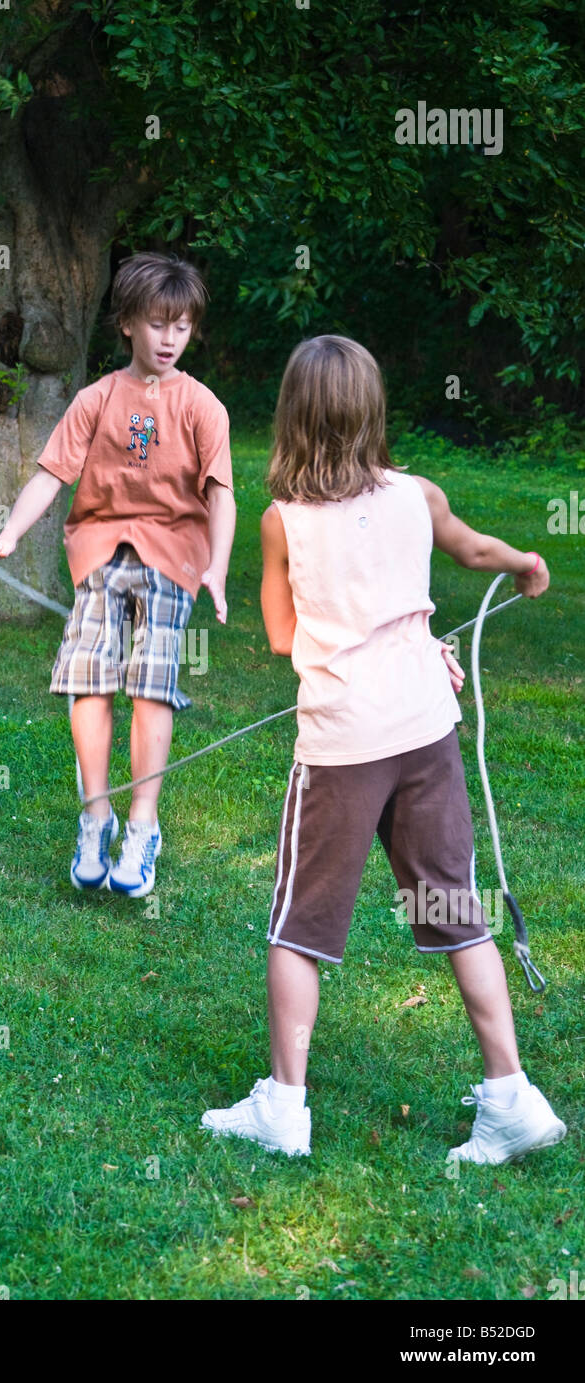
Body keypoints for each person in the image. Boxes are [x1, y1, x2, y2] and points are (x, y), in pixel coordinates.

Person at [201, 334, 566, 1166]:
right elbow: (476, 553)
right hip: (424, 729)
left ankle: (284, 1109)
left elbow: (281, 636)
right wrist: (525, 563)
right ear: (372, 412)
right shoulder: (417, 495)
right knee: (450, 907)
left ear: (292, 418)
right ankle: (510, 1096)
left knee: (299, 925)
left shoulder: (280, 522)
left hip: (342, 746)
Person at [0, 252, 235, 897]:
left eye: (180, 327)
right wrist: (9, 535)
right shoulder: (96, 399)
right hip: (99, 554)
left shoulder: (203, 406)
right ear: (126, 325)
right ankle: (97, 813)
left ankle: (142, 827)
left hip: (172, 559)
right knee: (88, 680)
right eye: (156, 325)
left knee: (151, 686)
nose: (169, 339)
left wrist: (219, 570)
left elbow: (222, 493)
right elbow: (51, 474)